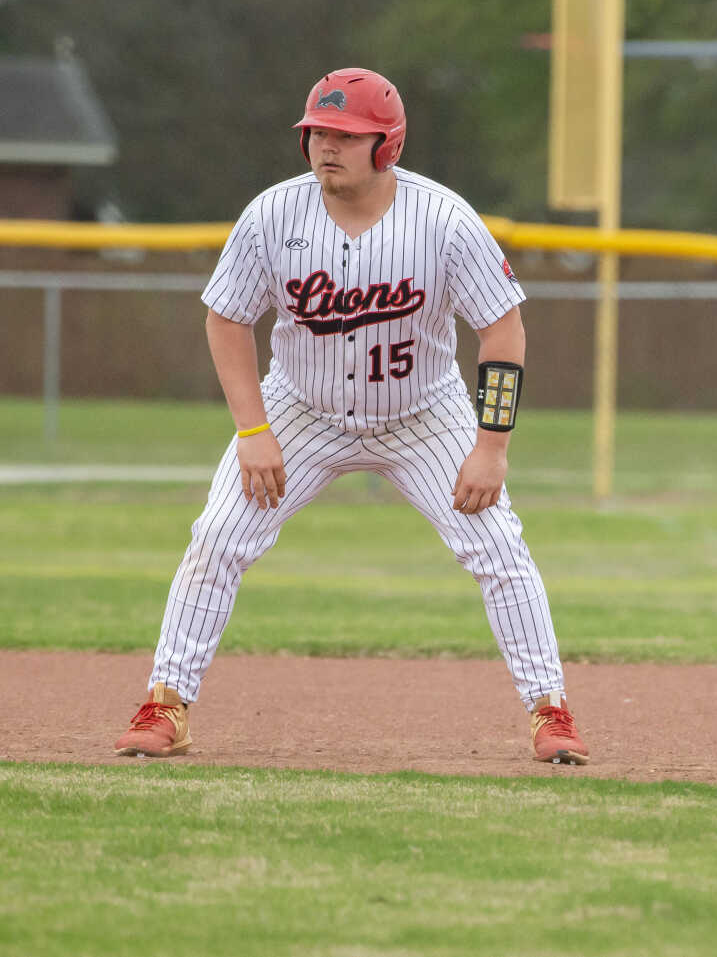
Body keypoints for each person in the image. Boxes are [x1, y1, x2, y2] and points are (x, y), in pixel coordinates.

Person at [114, 68, 589, 765]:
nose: (327, 146)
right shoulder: (273, 216)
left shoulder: (445, 221)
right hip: (302, 411)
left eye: (347, 135)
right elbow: (226, 319)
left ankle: (551, 711)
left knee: (498, 547)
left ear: (387, 145)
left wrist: (491, 447)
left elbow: (504, 333)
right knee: (217, 535)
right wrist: (253, 431)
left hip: (423, 416)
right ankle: (166, 704)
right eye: (318, 132)